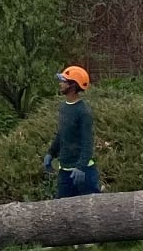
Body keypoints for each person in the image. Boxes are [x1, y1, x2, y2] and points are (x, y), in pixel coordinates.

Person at [43, 65, 100, 197]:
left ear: (73, 86)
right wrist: (51, 153)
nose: (60, 84)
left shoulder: (83, 111)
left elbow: (87, 143)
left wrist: (80, 167)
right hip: (65, 172)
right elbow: (62, 133)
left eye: (63, 81)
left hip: (83, 173)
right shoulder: (64, 107)